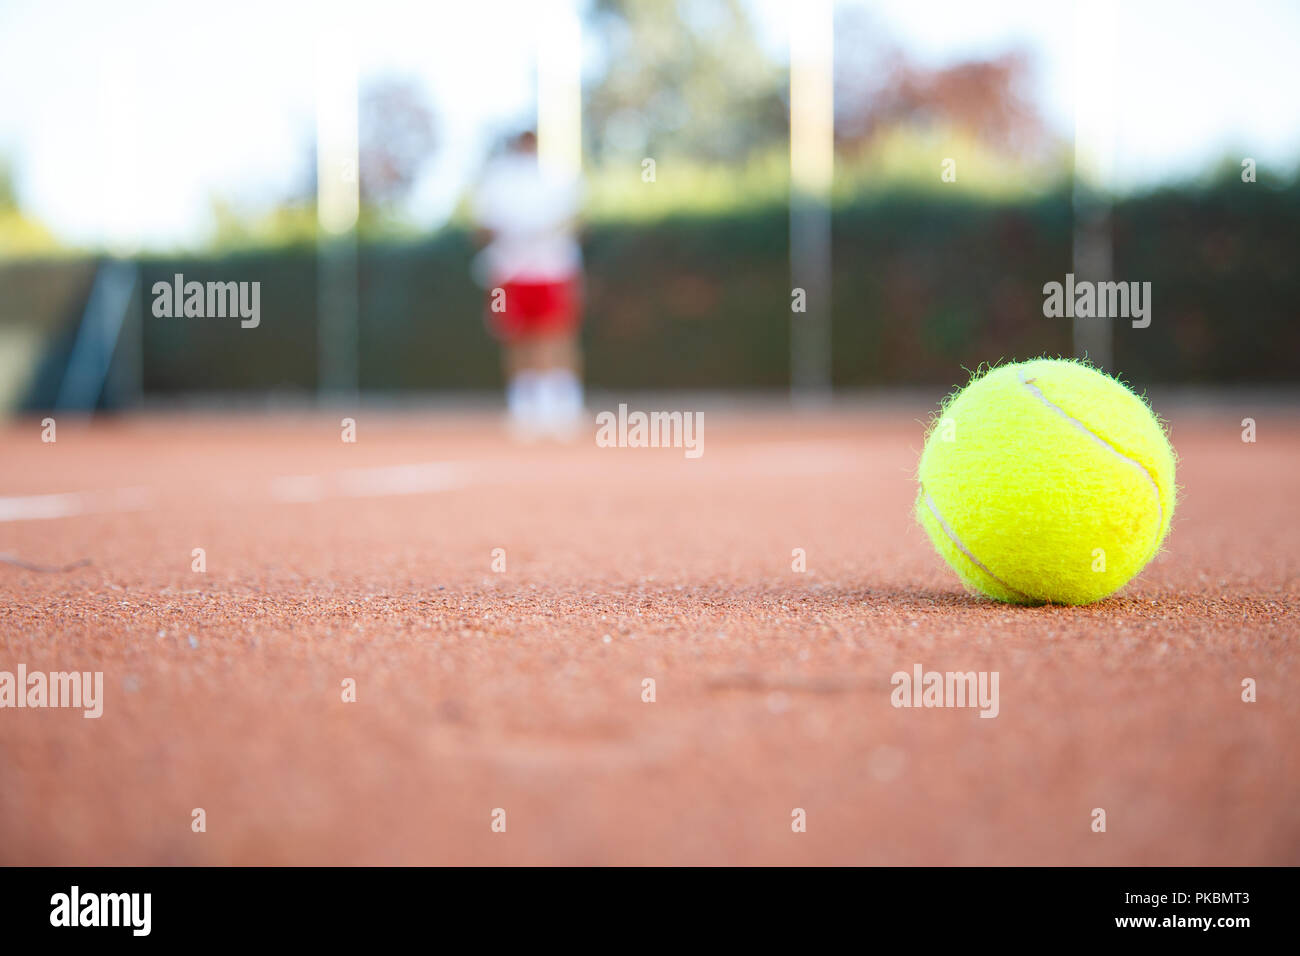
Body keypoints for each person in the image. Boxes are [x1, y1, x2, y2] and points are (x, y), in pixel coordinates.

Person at [471, 130, 585, 439]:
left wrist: (546, 234)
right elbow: (481, 227)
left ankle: (561, 406)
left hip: (553, 268)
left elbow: (578, 221)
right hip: (508, 271)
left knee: (556, 332)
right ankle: (525, 406)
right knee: (514, 334)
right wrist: (510, 237)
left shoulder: (560, 177)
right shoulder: (497, 180)